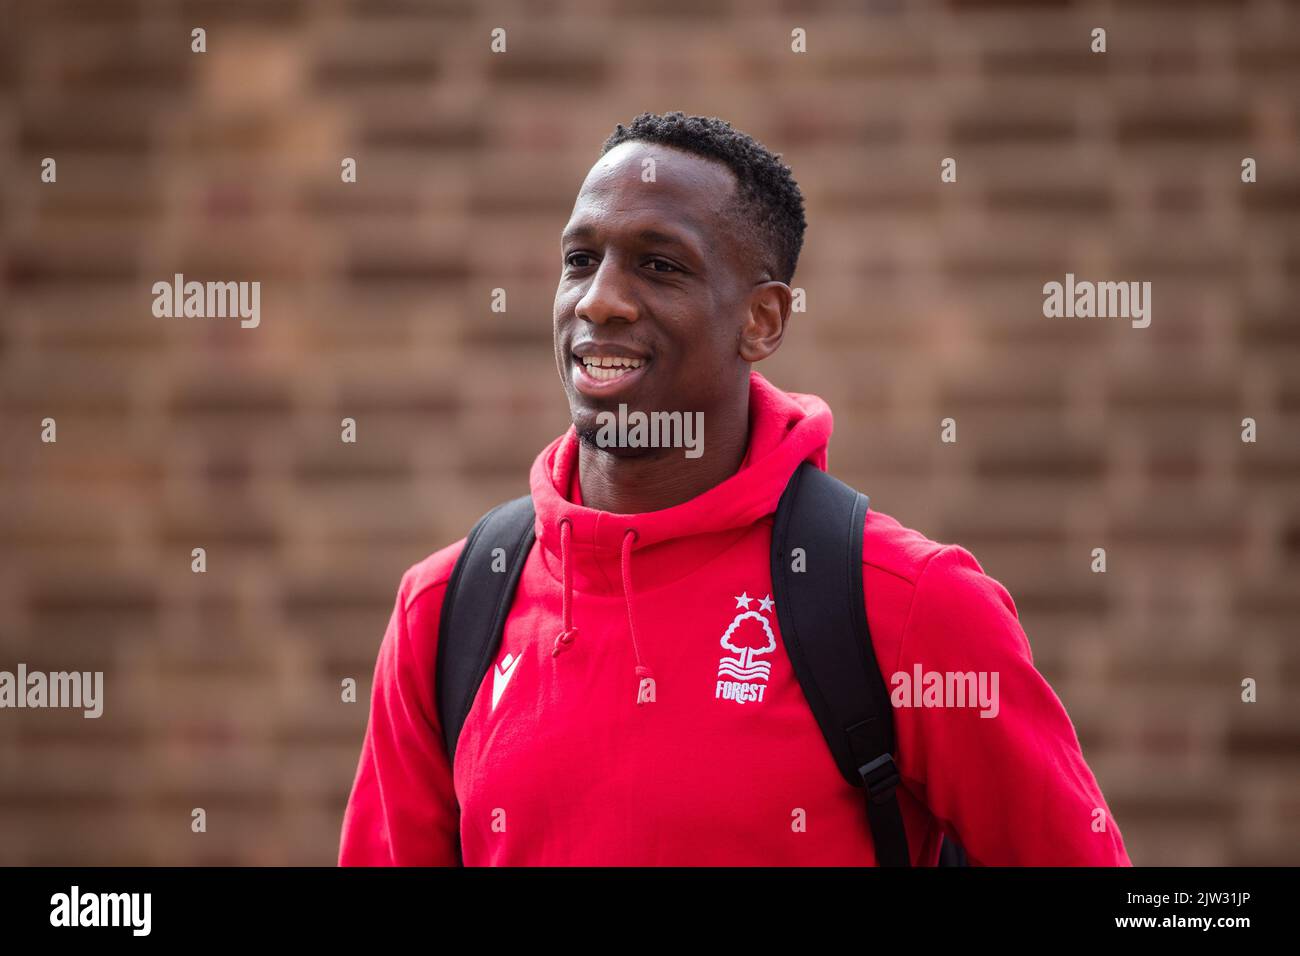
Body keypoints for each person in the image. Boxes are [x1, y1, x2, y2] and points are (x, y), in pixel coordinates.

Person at [338, 111, 1131, 866]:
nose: (600, 300)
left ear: (763, 321)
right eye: (581, 260)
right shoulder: (445, 612)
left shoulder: (907, 603)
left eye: (659, 265)